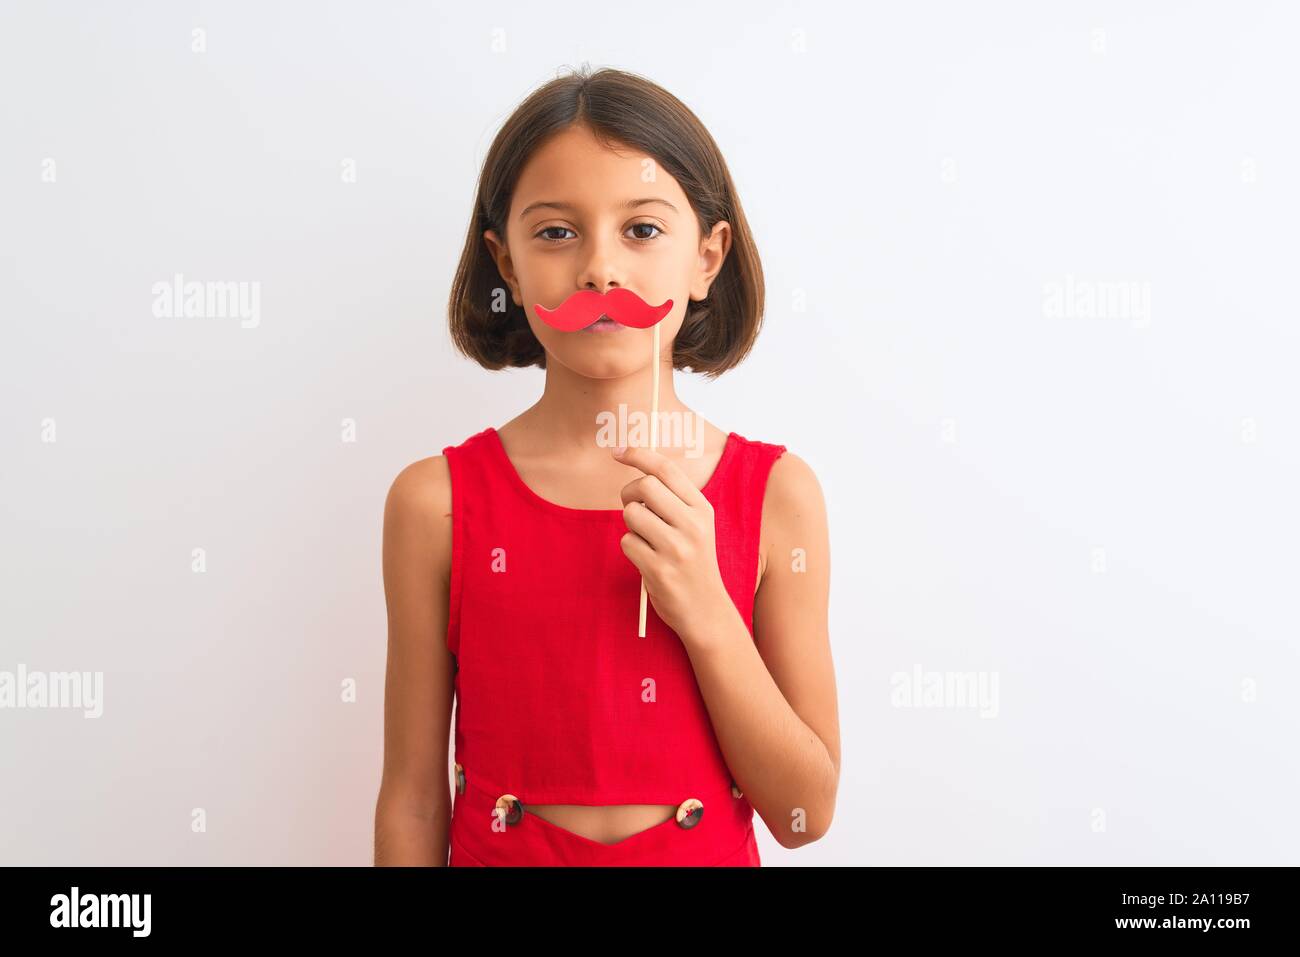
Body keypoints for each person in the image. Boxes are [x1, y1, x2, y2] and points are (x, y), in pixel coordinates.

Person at [374, 66, 837, 866]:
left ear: (708, 257)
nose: (599, 271)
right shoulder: (435, 504)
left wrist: (708, 612)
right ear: (507, 266)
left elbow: (804, 814)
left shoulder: (777, 497)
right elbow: (413, 797)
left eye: (643, 230)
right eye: (556, 232)